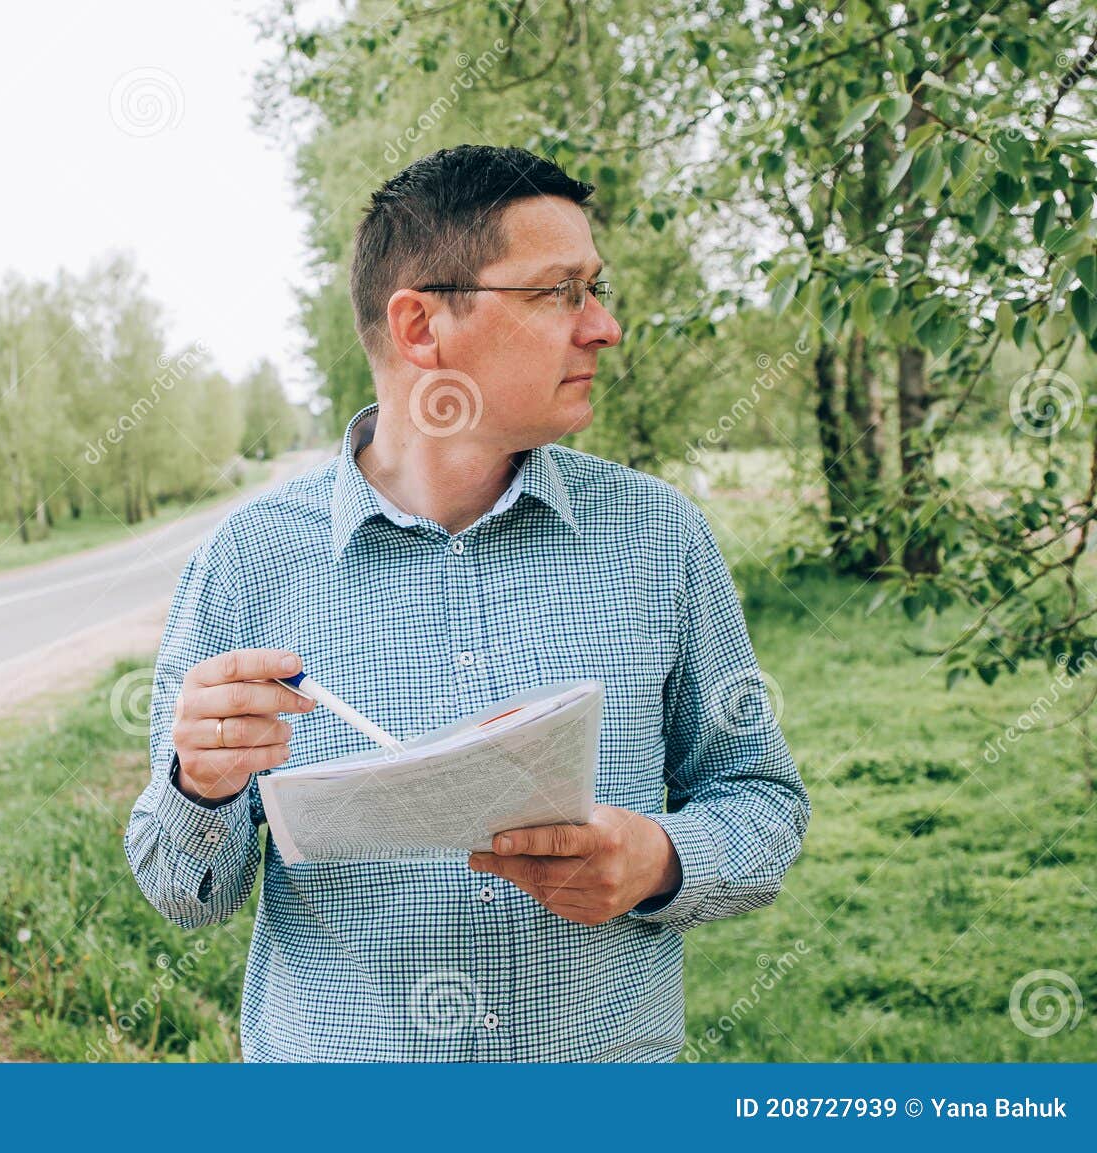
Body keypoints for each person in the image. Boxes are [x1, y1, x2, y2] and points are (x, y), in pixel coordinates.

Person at [125, 143, 810, 1061]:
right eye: (562, 292)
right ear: (421, 327)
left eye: (597, 289)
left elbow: (761, 799)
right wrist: (199, 785)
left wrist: (658, 860)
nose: (604, 327)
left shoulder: (660, 537)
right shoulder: (248, 562)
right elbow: (181, 892)